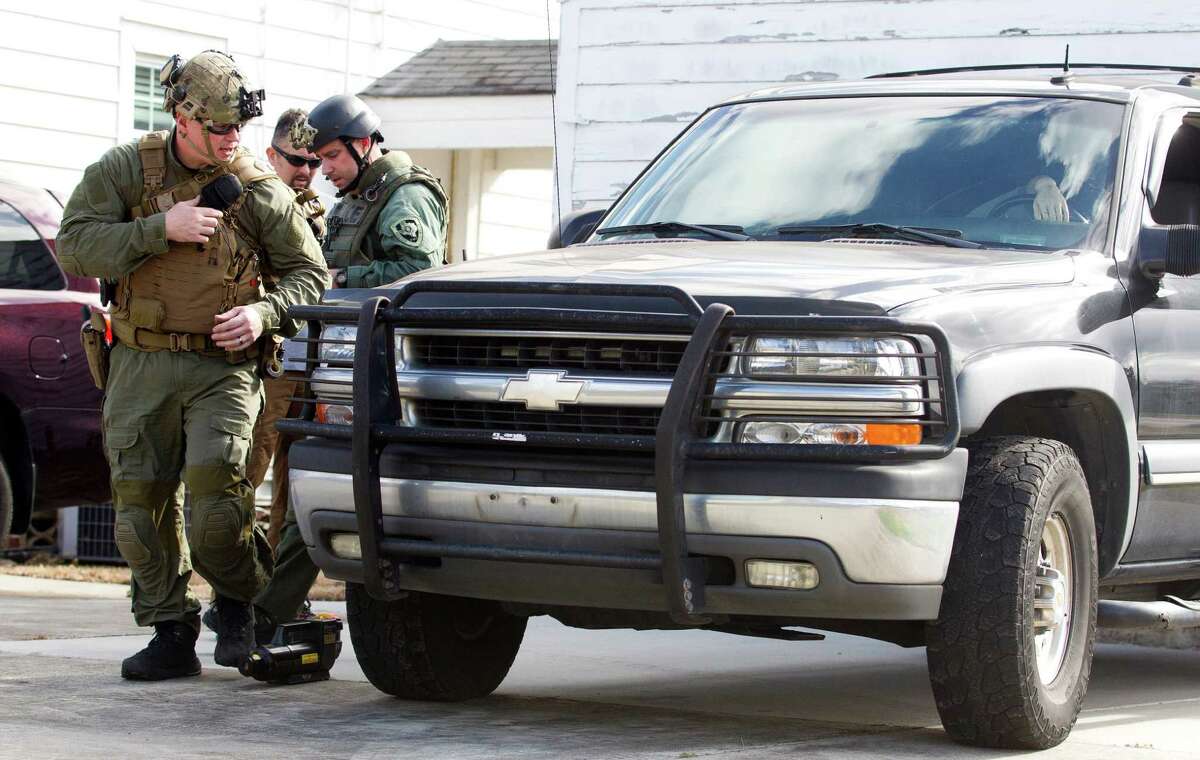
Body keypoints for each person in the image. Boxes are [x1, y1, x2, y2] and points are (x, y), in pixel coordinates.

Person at [56, 50, 328, 681]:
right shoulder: (124, 171)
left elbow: (310, 275)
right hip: (140, 360)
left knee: (216, 504)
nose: (233, 139)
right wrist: (160, 228)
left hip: (222, 367)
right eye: (220, 127)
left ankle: (239, 604)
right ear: (182, 117)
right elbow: (74, 245)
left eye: (239, 127)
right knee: (139, 505)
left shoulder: (257, 188)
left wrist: (263, 313)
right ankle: (170, 630)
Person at [299, 94, 449, 287]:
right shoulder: (360, 193)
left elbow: (421, 271)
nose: (325, 169)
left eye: (333, 155)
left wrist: (342, 278)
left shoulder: (405, 197)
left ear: (363, 143)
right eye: (321, 159)